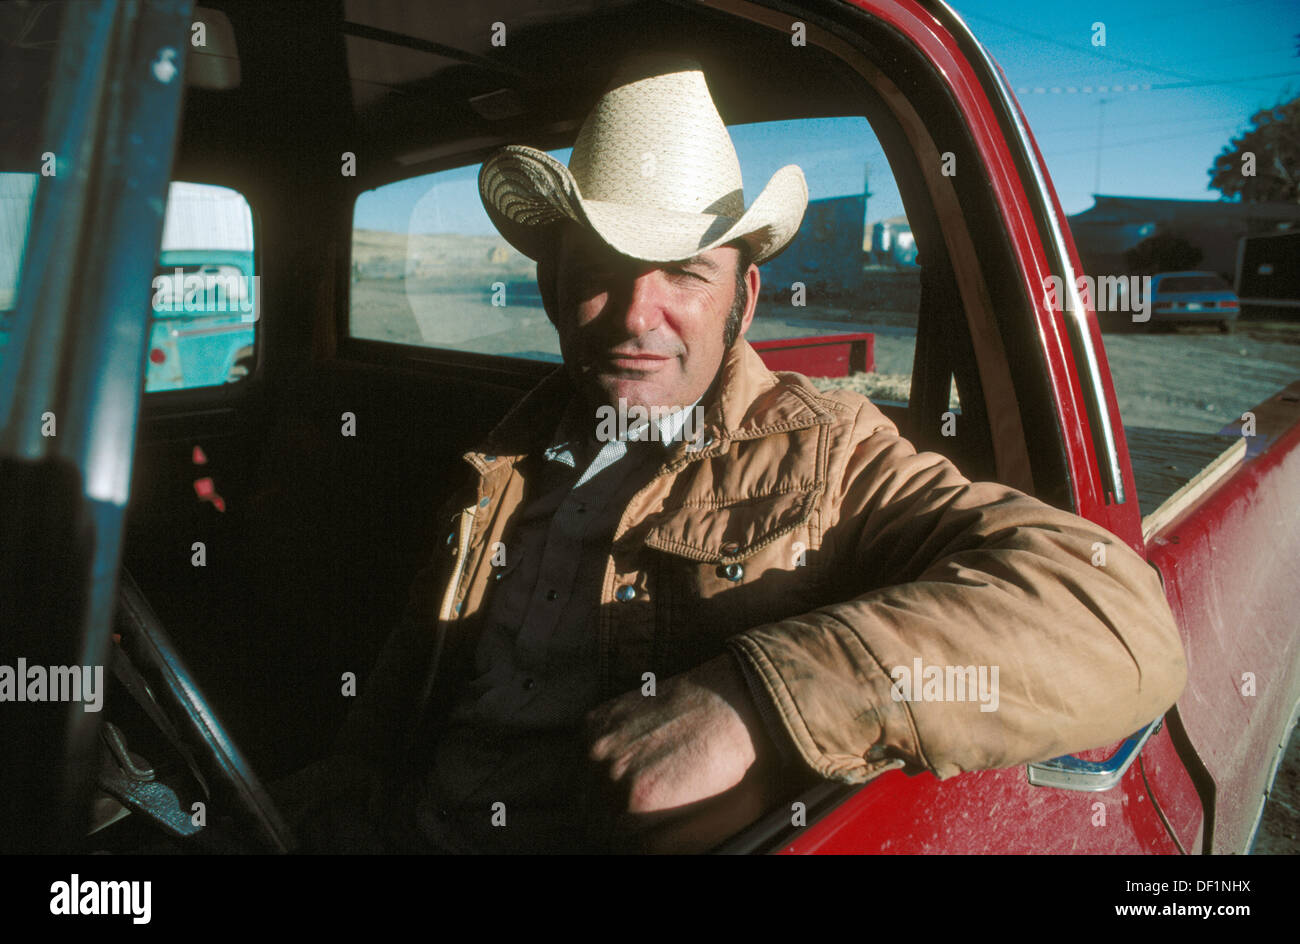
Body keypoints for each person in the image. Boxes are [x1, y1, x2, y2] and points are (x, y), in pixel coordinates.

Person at [290, 55, 1187, 855]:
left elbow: (1112, 614)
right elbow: (418, 663)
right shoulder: (507, 455)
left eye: (684, 271)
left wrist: (761, 703)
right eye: (598, 269)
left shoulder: (827, 454)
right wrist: (341, 785)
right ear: (553, 288)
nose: (638, 315)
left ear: (745, 299)